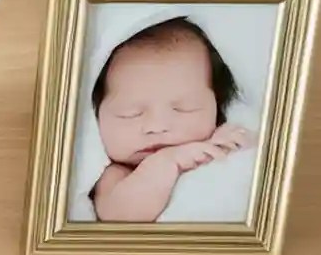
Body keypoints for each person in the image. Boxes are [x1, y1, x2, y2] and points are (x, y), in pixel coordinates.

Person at [89, 17, 255, 222]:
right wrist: (166, 162)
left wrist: (231, 144)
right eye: (130, 113)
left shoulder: (220, 136)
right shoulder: (116, 175)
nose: (157, 127)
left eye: (184, 109)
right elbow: (119, 216)